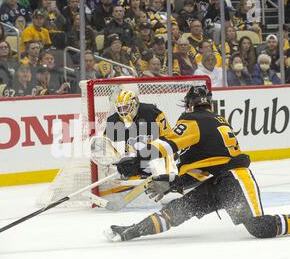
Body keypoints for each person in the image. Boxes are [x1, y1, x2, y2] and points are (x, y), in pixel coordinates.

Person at [105, 85, 290, 242]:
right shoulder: (215, 120)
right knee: (178, 209)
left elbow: (166, 144)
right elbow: (203, 168)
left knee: (260, 227)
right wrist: (174, 183)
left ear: (189, 105)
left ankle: (132, 231)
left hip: (233, 179)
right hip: (220, 181)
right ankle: (132, 231)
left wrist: (137, 162)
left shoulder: (193, 120)